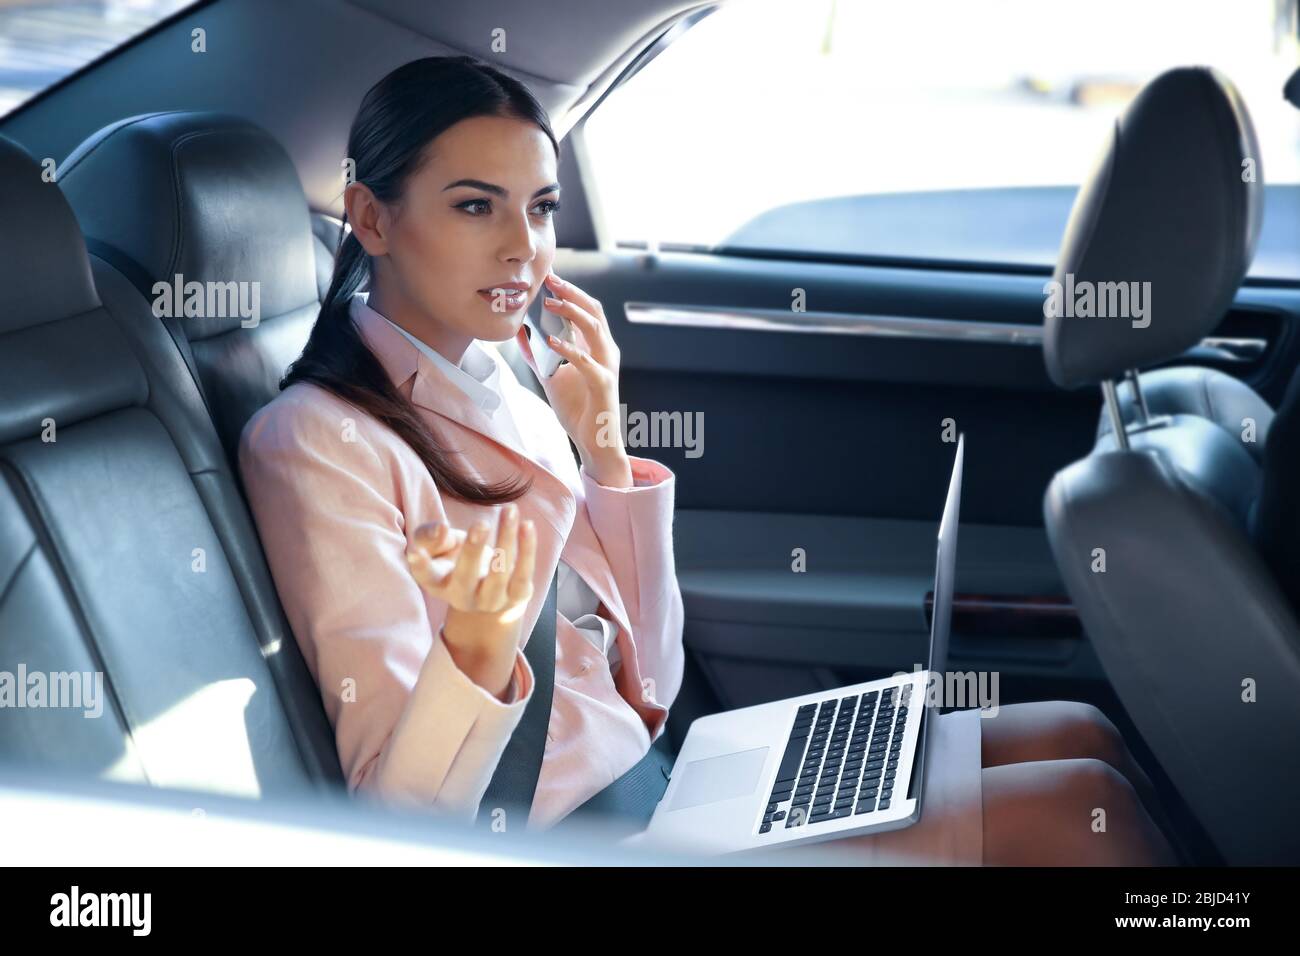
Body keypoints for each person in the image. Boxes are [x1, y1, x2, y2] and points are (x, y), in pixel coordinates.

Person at [238, 55, 1175, 866]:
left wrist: (602, 448)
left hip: (659, 783)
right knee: (1073, 818)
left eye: (541, 207)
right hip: (557, 837)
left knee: (1077, 735)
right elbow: (398, 823)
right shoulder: (319, 441)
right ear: (370, 216)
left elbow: (651, 686)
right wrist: (478, 647)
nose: (524, 247)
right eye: (476, 206)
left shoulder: (506, 379)